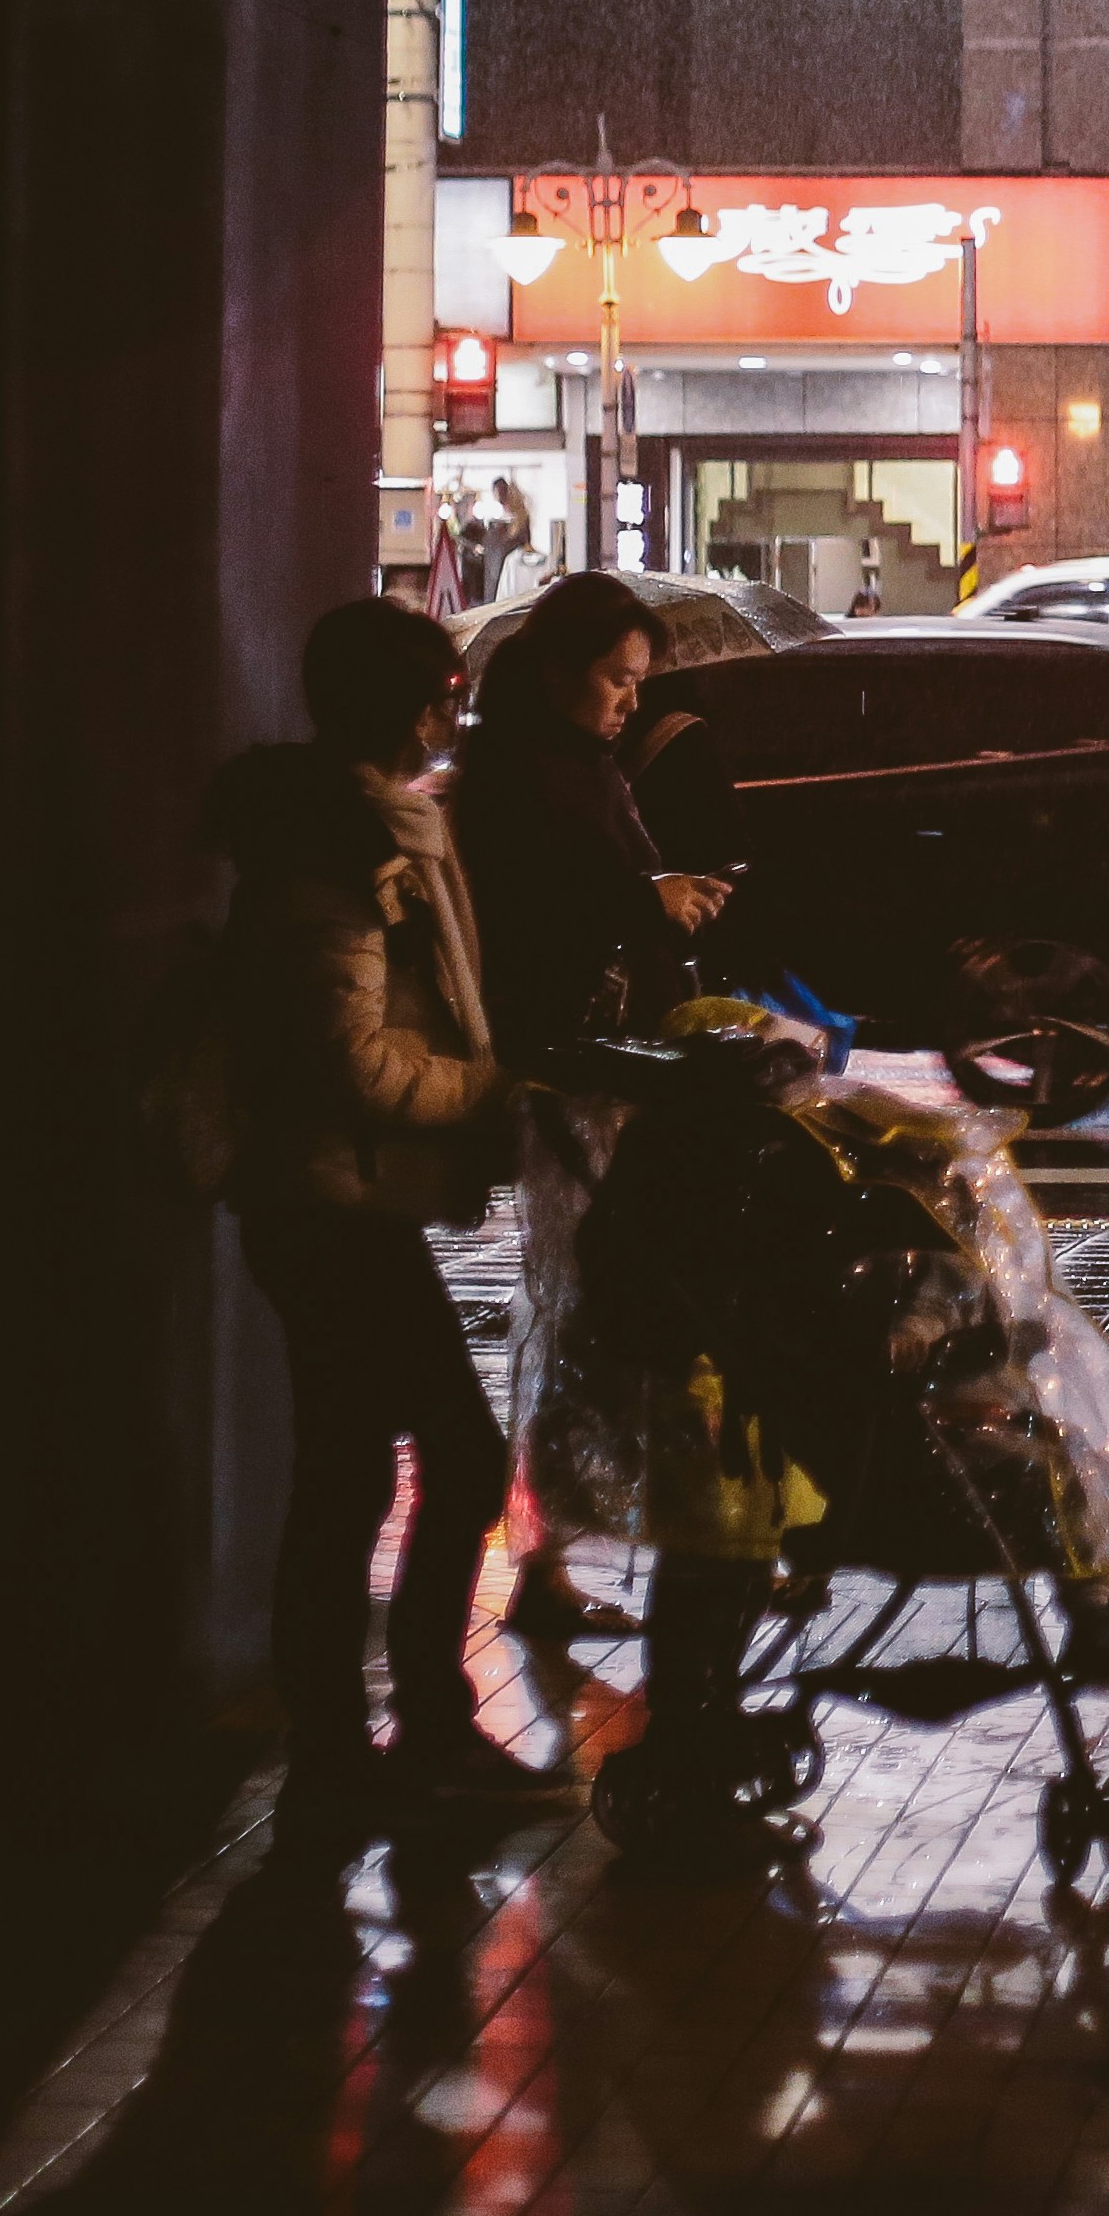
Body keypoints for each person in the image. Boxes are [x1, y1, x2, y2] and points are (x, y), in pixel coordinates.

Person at [202, 598, 566, 1813]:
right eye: (441, 698)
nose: (448, 718)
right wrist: (489, 1089)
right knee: (444, 1460)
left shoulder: (373, 830)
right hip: (329, 1201)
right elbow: (347, 1061)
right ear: (410, 709)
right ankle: (408, 1735)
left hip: (343, 1199)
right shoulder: (335, 856)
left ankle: (344, 1748)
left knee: (352, 1469)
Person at [453, 571, 735, 1639]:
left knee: (592, 1312)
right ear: (562, 673)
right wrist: (643, 900)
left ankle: (561, 1556)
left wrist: (670, 902)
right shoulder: (522, 778)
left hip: (618, 1066)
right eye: (618, 679)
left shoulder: (582, 766)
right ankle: (548, 1562)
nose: (631, 699)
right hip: (573, 1077)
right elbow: (532, 924)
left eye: (639, 681)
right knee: (578, 1311)